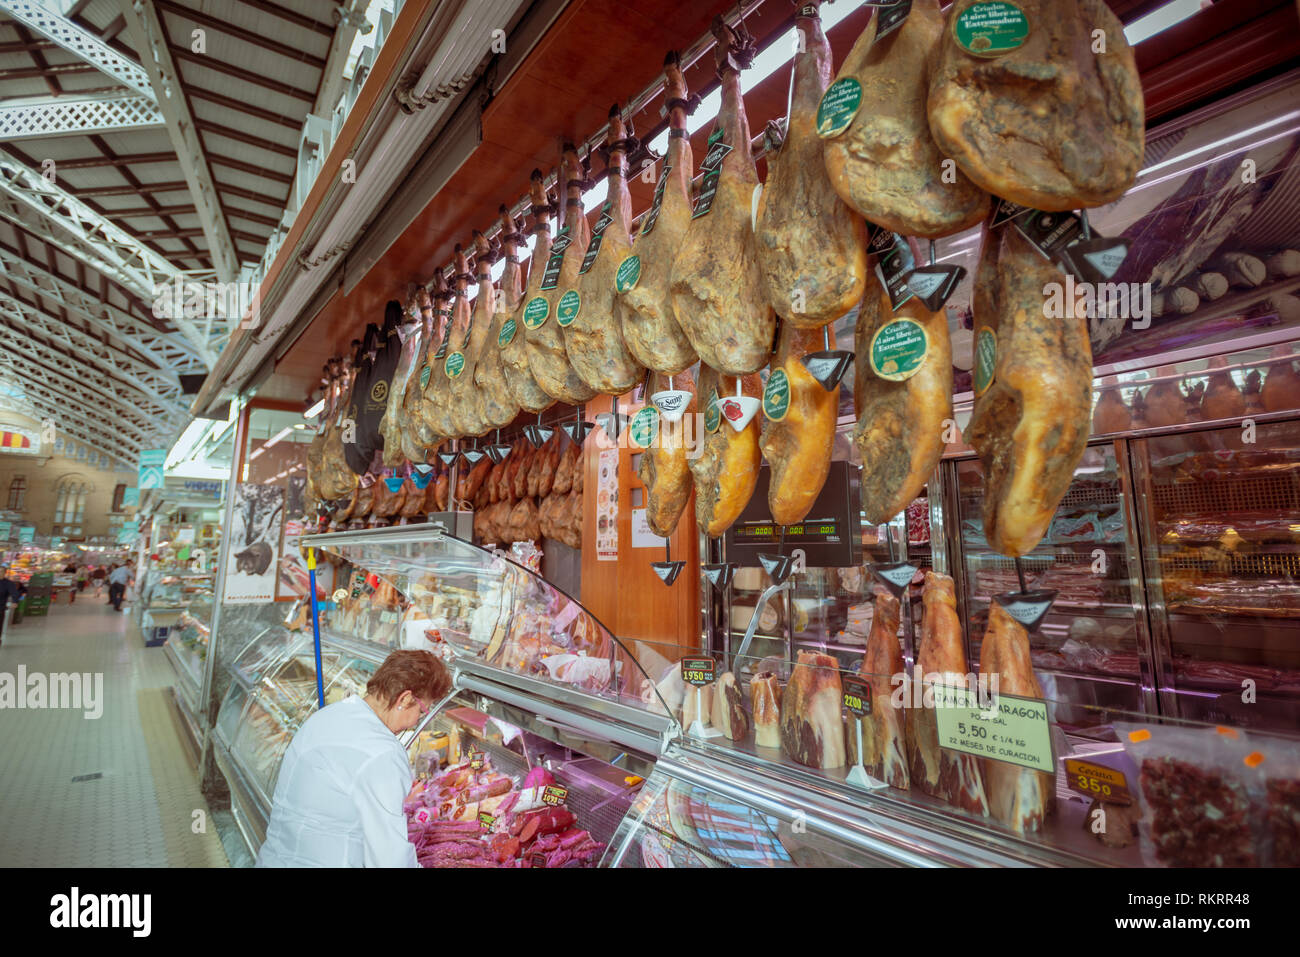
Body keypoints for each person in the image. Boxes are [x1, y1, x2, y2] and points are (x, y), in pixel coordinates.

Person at [256, 650, 450, 867]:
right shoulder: (382, 752)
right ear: (404, 699)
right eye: (422, 711)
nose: (416, 722)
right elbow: (389, 858)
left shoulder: (328, 715)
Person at [0, 565, 24, 646]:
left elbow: (14, 593)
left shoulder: (8, 583)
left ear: (4, 573)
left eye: (1, 571)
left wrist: (15, 602)